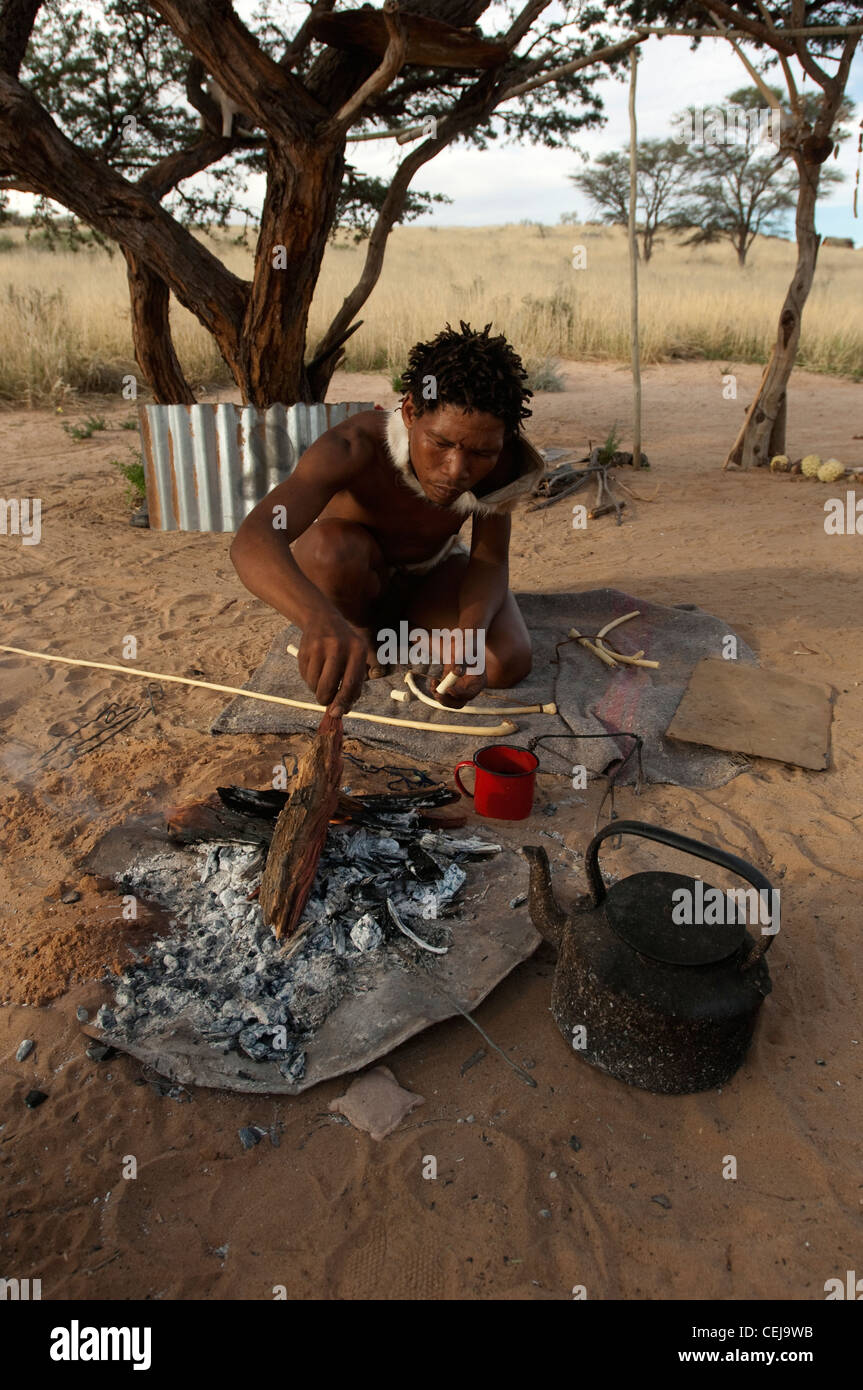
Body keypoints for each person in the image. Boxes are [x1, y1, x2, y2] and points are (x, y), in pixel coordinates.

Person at [230, 320, 543, 713]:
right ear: (411, 411)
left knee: (504, 662)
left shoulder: (503, 466)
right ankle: (359, 627)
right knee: (330, 551)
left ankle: (402, 632)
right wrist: (317, 619)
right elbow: (255, 536)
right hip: (354, 578)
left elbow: (489, 559)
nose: (455, 470)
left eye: (480, 453)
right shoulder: (353, 447)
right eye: (440, 443)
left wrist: (470, 633)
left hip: (433, 574)